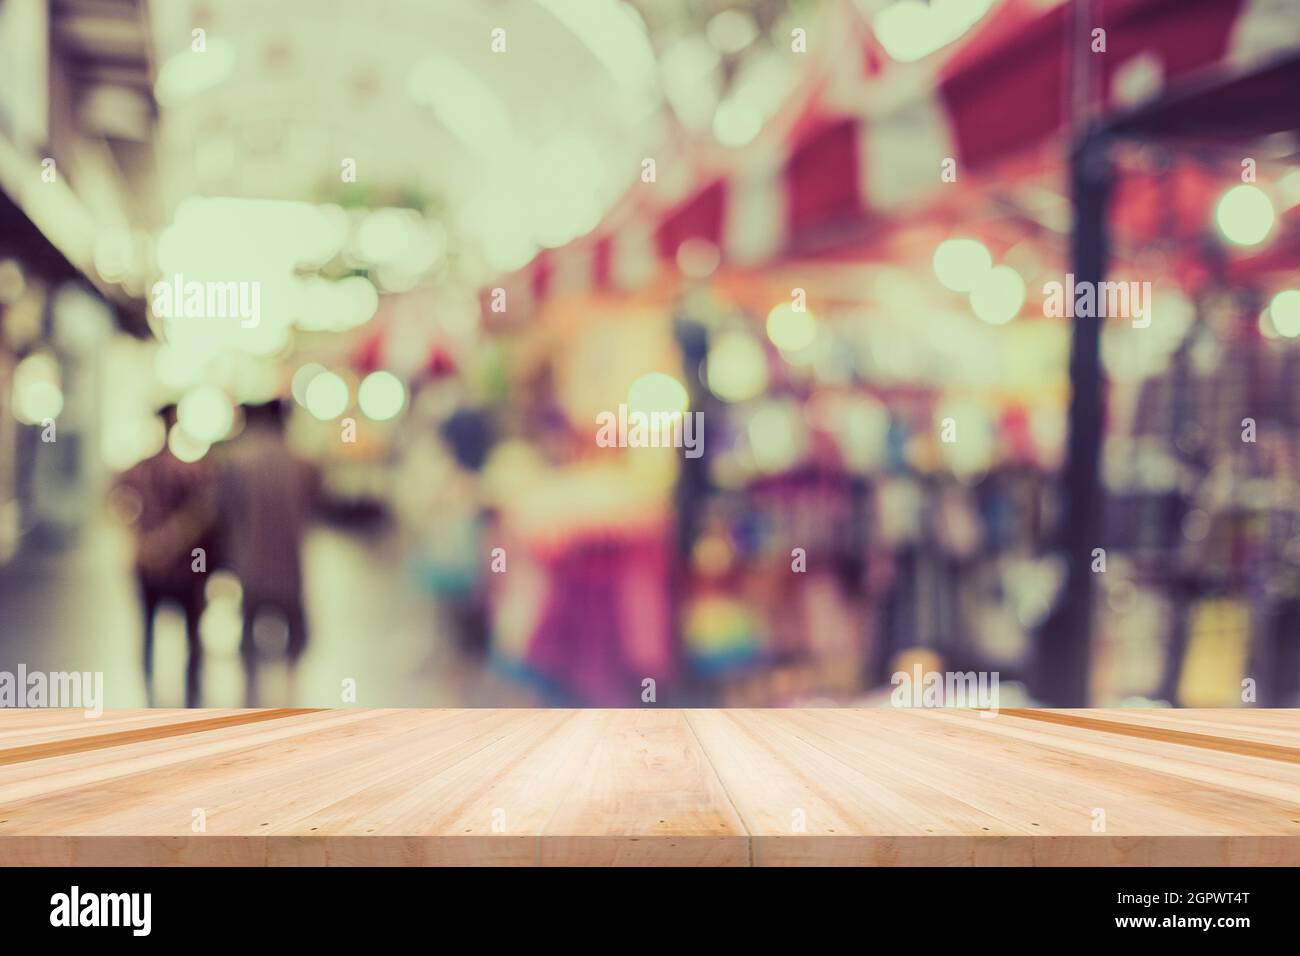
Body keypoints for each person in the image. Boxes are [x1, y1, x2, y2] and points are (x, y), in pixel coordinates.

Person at [217, 399, 317, 704]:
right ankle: (290, 695)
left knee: (249, 639)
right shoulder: (302, 463)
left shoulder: (237, 462)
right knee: (295, 639)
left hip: (252, 567)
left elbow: (226, 516)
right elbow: (313, 508)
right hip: (290, 568)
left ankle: (250, 698)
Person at [116, 405, 216, 707]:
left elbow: (116, 501)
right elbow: (203, 514)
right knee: (186, 634)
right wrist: (159, 540)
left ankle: (156, 694)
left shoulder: (147, 469)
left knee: (154, 632)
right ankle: (186, 697)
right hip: (178, 565)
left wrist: (145, 539)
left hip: (163, 564)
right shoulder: (190, 470)